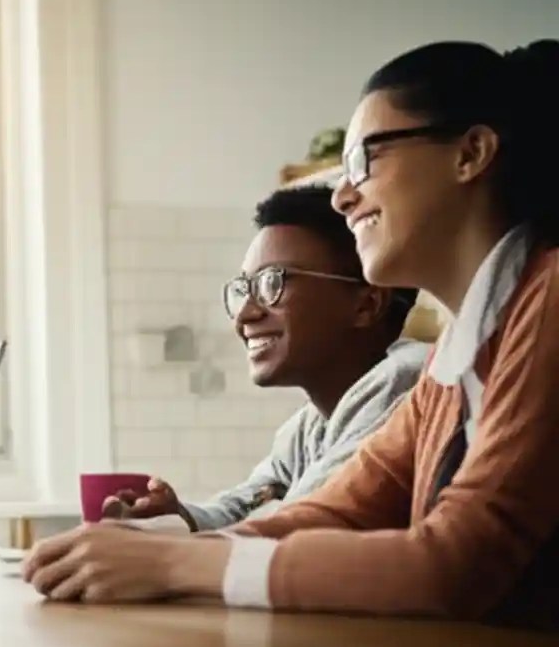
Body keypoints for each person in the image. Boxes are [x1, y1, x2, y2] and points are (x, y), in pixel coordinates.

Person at [21, 40, 559, 631]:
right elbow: (337, 510)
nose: (342, 194)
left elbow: (458, 561)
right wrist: (151, 552)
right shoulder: (449, 362)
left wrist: (174, 562)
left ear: (471, 153)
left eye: (363, 162)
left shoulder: (550, 293)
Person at [104, 186, 425, 531]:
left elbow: (297, 526)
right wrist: (179, 516)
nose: (244, 314)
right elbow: (241, 505)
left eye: (273, 283)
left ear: (367, 304)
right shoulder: (309, 427)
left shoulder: (405, 382)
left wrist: (157, 551)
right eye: (244, 289)